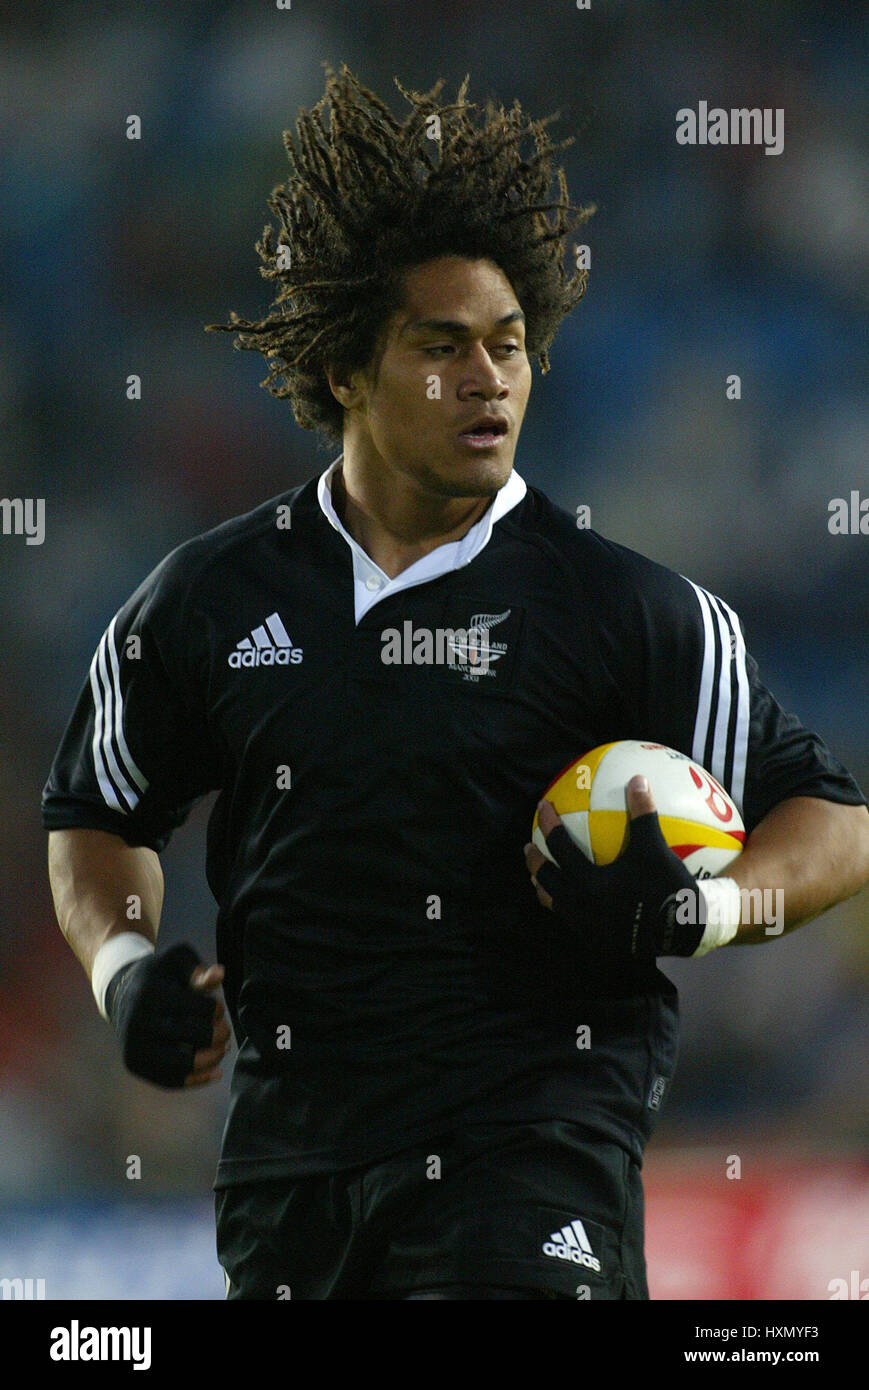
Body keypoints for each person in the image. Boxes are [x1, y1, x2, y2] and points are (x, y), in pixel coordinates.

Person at [43, 66, 869, 1300]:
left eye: (509, 345)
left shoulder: (627, 612)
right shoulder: (205, 602)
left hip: (530, 1162)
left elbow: (833, 822)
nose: (487, 378)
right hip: (289, 1183)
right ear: (345, 373)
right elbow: (98, 815)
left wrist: (704, 911)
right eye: (439, 347)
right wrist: (125, 971)